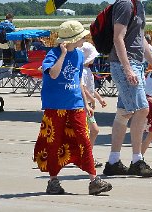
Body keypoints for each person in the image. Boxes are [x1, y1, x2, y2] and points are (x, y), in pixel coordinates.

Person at [33, 20, 112, 196]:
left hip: (75, 104)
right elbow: (53, 74)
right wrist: (61, 54)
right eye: (80, 38)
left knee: (84, 139)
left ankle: (94, 180)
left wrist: (86, 105)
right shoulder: (52, 54)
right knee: (54, 142)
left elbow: (78, 82)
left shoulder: (79, 55)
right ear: (70, 40)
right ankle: (53, 180)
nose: (84, 40)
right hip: (56, 106)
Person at [104, 0, 152, 179]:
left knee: (124, 113)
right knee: (141, 110)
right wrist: (128, 68)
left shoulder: (138, 4)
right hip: (124, 65)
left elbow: (141, 40)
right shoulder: (125, 3)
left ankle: (113, 161)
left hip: (135, 64)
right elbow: (118, 38)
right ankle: (137, 160)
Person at [80, 41, 107, 164]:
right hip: (84, 105)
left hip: (89, 105)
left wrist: (99, 98)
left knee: (92, 131)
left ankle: (87, 155)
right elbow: (83, 89)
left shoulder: (88, 70)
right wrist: (91, 99)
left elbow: (91, 89)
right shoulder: (82, 71)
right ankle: (86, 156)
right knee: (91, 131)